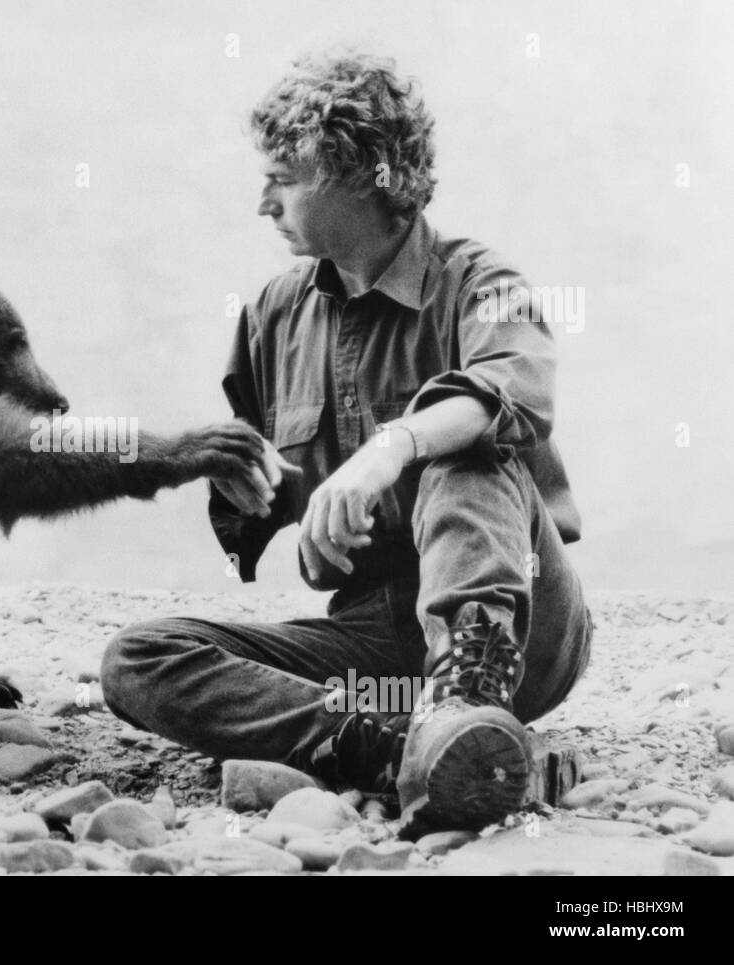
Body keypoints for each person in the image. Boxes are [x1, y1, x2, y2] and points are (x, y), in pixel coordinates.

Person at [100, 52, 594, 832]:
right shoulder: (272, 312)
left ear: (363, 172)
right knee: (140, 658)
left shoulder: (481, 281)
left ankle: (471, 704)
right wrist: (290, 523)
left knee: (462, 439)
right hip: (379, 645)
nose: (263, 202)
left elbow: (513, 394)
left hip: (521, 630)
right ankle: (402, 751)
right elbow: (274, 515)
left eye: (282, 176)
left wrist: (391, 446)